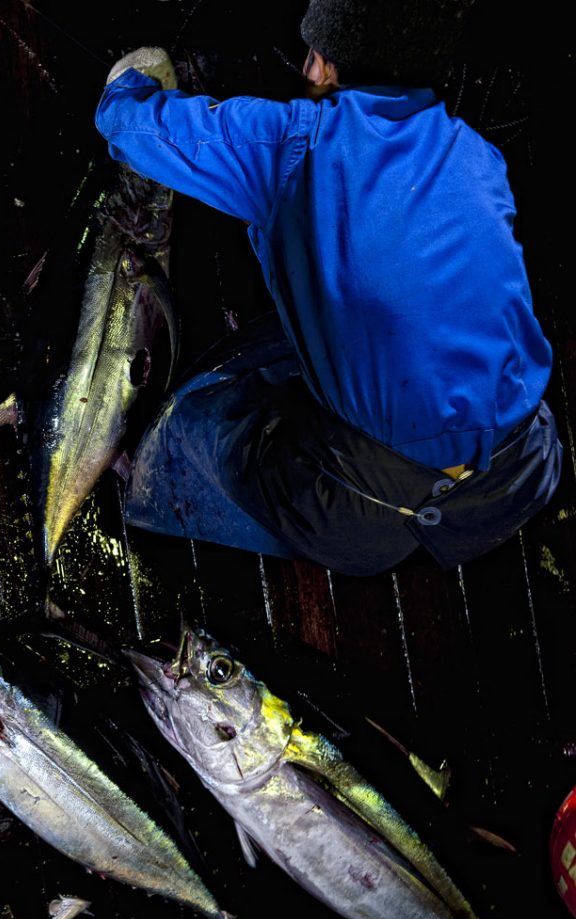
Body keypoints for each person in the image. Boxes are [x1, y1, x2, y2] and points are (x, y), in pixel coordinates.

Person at [92, 0, 561, 575]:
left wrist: (130, 78)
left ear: (321, 64)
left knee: (194, 427)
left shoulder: (292, 145)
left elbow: (127, 125)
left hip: (362, 511)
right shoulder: (479, 157)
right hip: (524, 467)